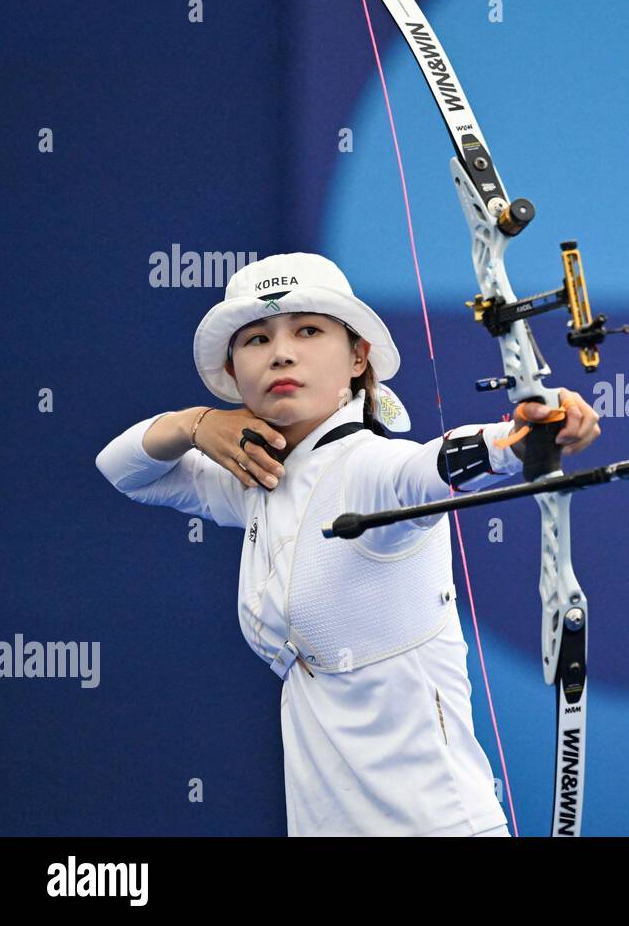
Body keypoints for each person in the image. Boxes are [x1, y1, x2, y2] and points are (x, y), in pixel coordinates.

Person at [94, 252, 601, 836]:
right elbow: (122, 469)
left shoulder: (374, 466)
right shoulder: (256, 479)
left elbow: (437, 463)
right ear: (233, 372)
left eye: (308, 331)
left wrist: (531, 434)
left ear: (358, 357)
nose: (281, 352)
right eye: (256, 339)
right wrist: (195, 422)